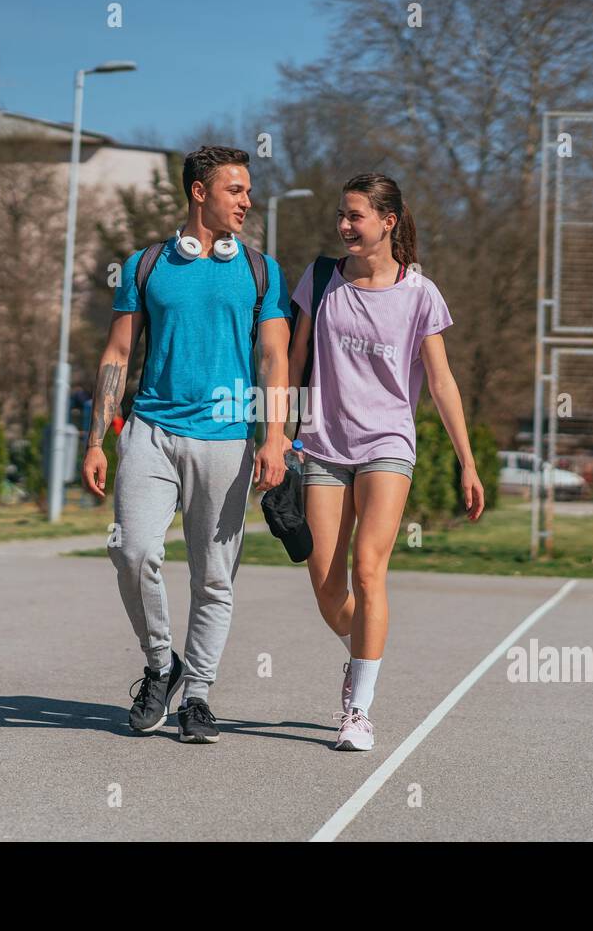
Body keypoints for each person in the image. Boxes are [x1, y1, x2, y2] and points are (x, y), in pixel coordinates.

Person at [82, 145, 292, 744]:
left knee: (213, 575)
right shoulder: (147, 264)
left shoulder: (260, 269)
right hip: (150, 428)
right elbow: (118, 354)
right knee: (132, 550)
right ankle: (159, 664)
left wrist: (275, 437)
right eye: (236, 190)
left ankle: (197, 694)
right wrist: (97, 438)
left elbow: (275, 356)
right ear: (200, 192)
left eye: (248, 190)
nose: (247, 202)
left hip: (228, 437)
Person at [287, 173, 485, 751]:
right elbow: (296, 357)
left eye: (356, 216)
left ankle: (358, 710)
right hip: (322, 443)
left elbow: (442, 382)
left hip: (387, 446)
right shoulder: (321, 279)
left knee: (368, 570)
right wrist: (279, 432)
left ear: (388, 221)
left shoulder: (420, 294)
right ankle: (362, 650)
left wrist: (466, 462)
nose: (345, 226)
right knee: (326, 585)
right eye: (342, 216)